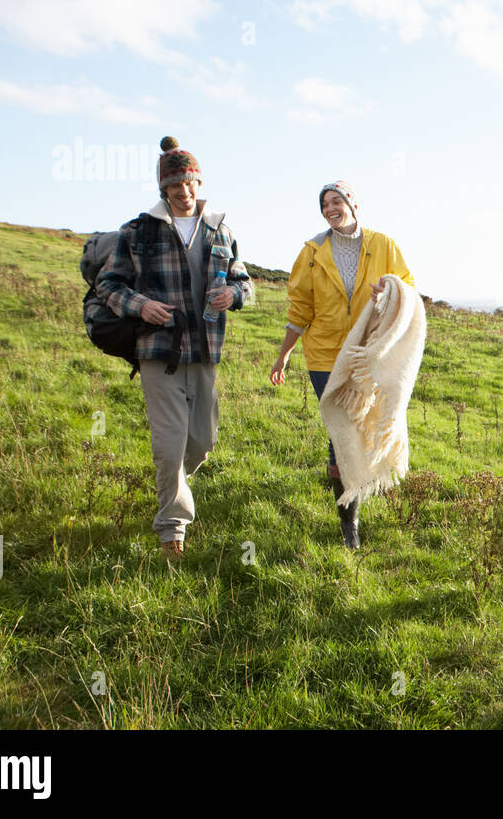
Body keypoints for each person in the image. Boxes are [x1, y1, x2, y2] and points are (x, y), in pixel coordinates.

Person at [97, 135, 253, 561]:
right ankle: (172, 532)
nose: (183, 192)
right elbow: (108, 285)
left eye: (190, 184)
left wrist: (234, 296)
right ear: (163, 189)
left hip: (205, 352)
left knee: (201, 442)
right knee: (169, 445)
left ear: (198, 184)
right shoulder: (137, 230)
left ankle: (173, 486)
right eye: (174, 186)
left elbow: (244, 281)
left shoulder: (221, 228)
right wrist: (140, 305)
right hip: (159, 353)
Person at [269, 180, 414, 548]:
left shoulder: (383, 245)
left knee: (365, 426)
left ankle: (358, 484)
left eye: (337, 201)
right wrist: (284, 353)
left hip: (369, 353)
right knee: (341, 431)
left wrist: (392, 290)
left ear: (353, 204)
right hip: (325, 355)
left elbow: (408, 287)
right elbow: (300, 308)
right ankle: (349, 522)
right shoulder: (312, 252)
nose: (330, 208)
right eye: (324, 205)